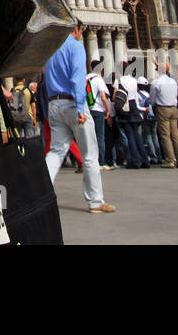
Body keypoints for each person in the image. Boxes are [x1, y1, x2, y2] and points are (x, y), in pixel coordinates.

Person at [43, 21, 115, 213]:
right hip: (73, 104)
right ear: (75, 29)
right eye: (80, 31)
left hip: (53, 104)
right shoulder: (75, 47)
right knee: (90, 155)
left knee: (56, 152)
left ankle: (40, 194)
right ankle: (96, 202)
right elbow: (77, 78)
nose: (80, 34)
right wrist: (81, 108)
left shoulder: (50, 49)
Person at [150, 63, 178, 168]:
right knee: (175, 135)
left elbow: (152, 98)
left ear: (159, 71)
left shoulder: (156, 82)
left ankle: (170, 160)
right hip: (174, 108)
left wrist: (153, 106)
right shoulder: (173, 81)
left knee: (165, 135)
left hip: (163, 108)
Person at [86, 60, 112, 171]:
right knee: (99, 136)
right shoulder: (98, 80)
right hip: (98, 110)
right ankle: (101, 162)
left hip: (86, 111)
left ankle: (89, 161)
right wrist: (108, 110)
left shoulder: (85, 78)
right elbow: (103, 97)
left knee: (88, 137)